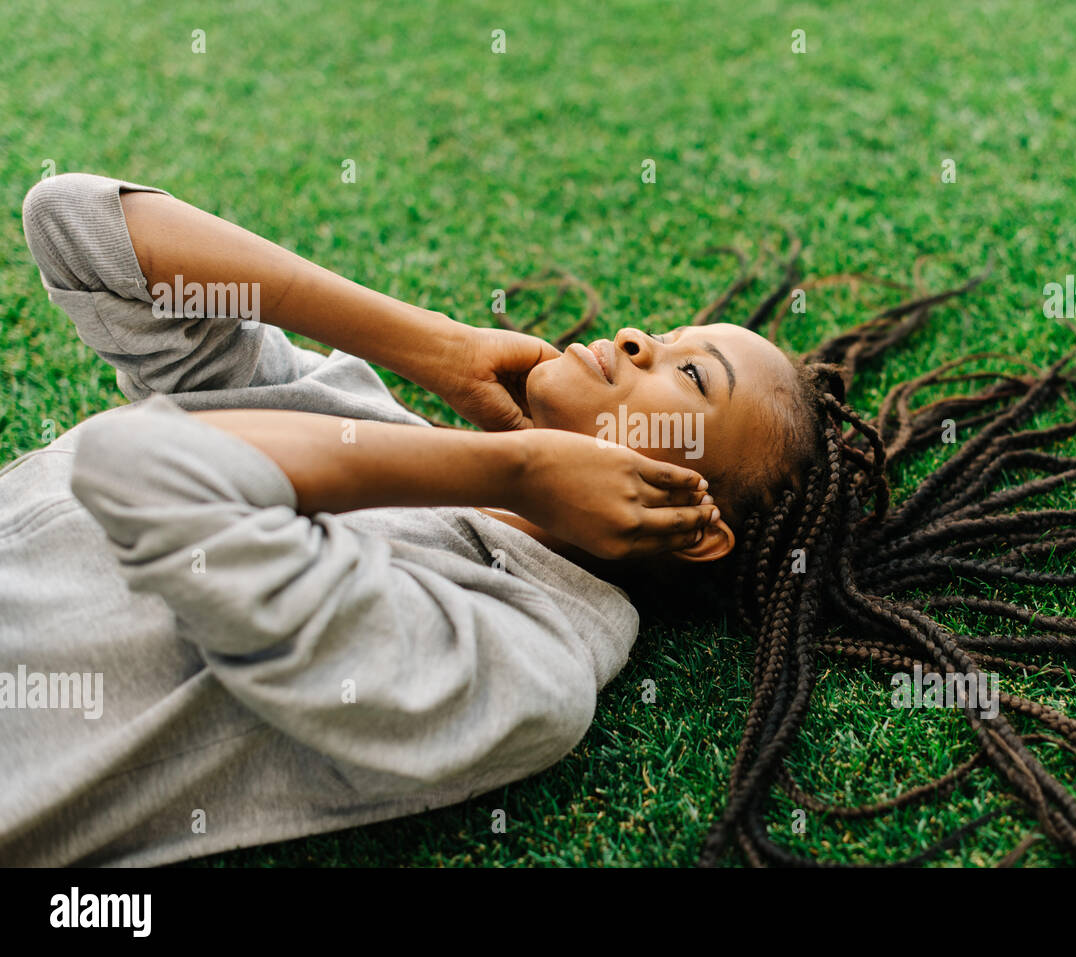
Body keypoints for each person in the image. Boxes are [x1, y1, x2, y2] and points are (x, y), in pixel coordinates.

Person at [0, 172, 809, 866]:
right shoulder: (358, 414)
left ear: (697, 527)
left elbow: (135, 465)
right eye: (665, 333)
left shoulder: (529, 658)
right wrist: (432, 346)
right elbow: (79, 226)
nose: (634, 337)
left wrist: (515, 468)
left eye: (692, 374)